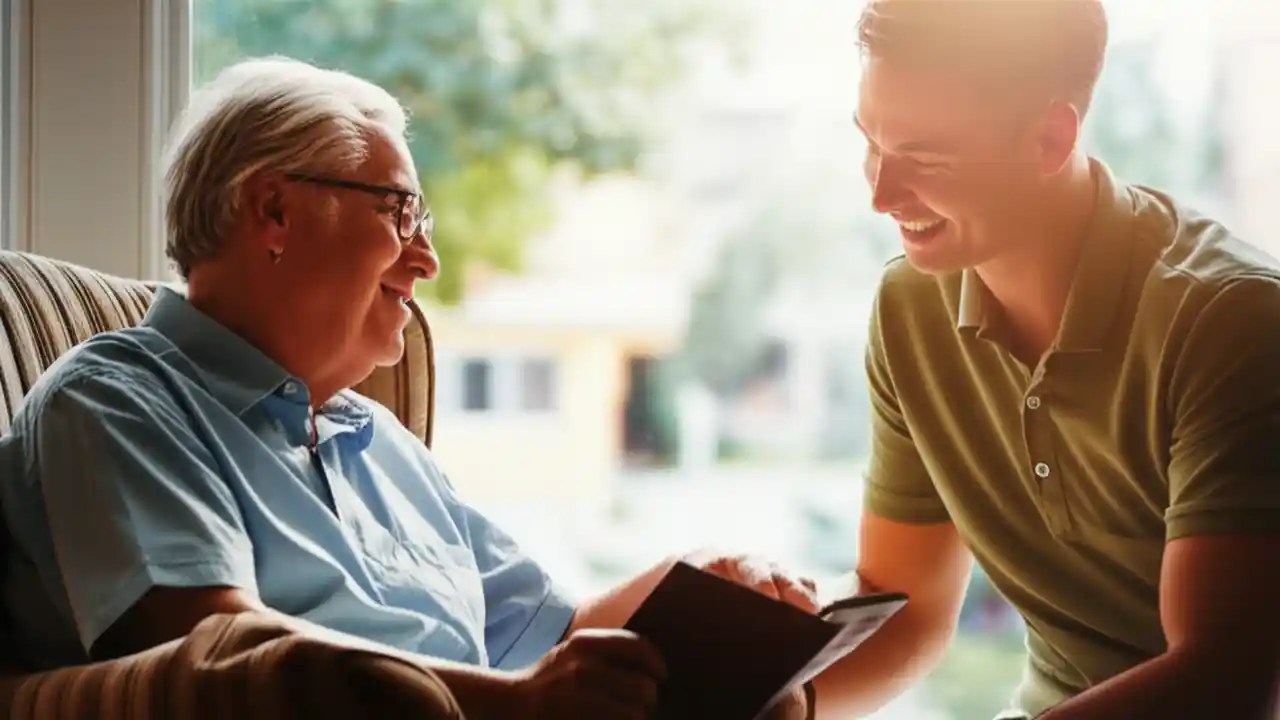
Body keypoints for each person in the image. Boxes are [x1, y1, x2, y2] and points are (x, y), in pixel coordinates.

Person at [0, 57, 814, 719]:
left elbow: (553, 638)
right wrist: (518, 708)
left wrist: (701, 586)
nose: (426, 260)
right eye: (400, 213)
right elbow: (217, 652)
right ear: (273, 210)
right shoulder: (117, 398)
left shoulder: (378, 441)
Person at [807, 2, 1280, 719]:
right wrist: (771, 702)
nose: (881, 193)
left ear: (1051, 137)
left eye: (926, 157)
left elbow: (1224, 683)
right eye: (871, 142)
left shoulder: (1230, 323)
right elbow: (905, 611)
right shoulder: (911, 308)